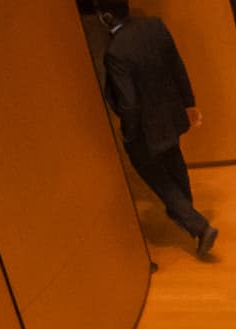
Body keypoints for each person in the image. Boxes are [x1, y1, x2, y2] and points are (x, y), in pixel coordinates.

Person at [83, 0, 212, 259]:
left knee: (155, 175)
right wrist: (188, 104)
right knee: (174, 157)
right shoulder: (155, 26)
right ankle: (185, 211)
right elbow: (178, 65)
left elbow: (129, 103)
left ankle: (196, 223)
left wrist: (129, 133)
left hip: (145, 127)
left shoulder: (115, 52)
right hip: (171, 115)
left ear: (106, 17)